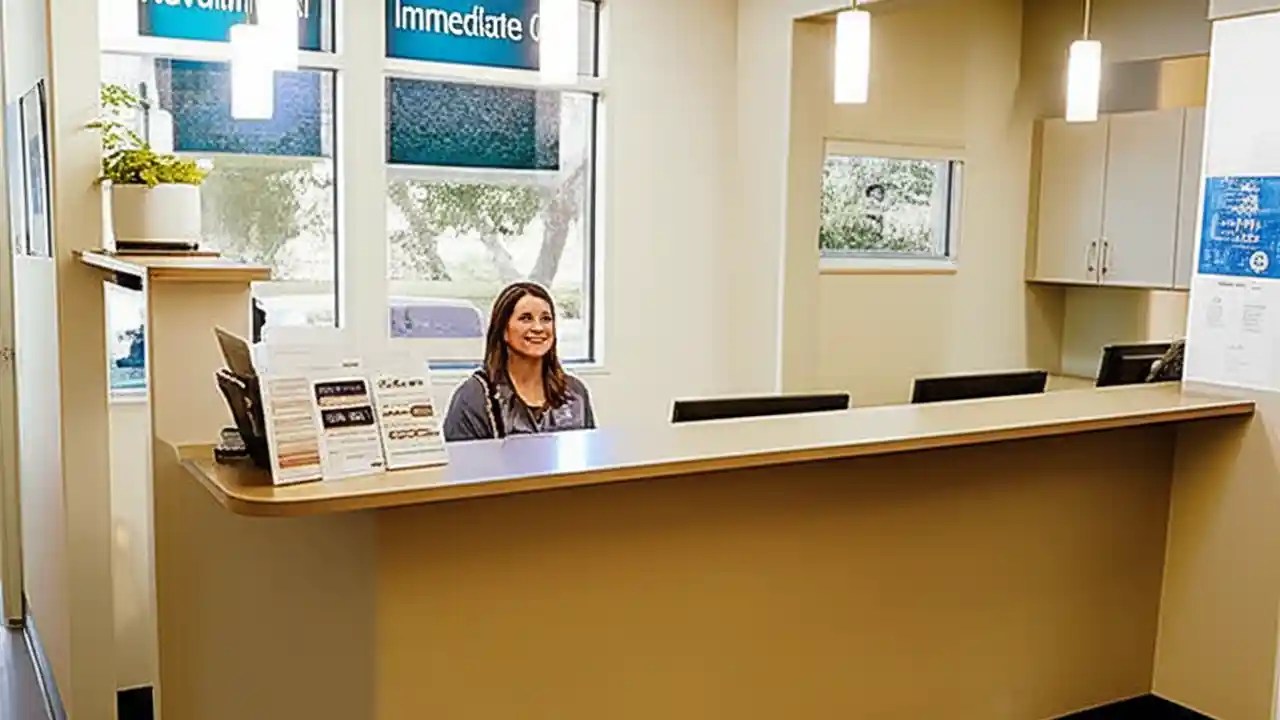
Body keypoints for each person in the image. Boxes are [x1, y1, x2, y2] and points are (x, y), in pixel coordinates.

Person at [443, 282, 596, 442]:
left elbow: (591, 453)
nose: (538, 328)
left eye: (546, 319)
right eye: (526, 318)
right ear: (504, 330)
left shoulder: (575, 392)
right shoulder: (474, 397)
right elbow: (460, 457)